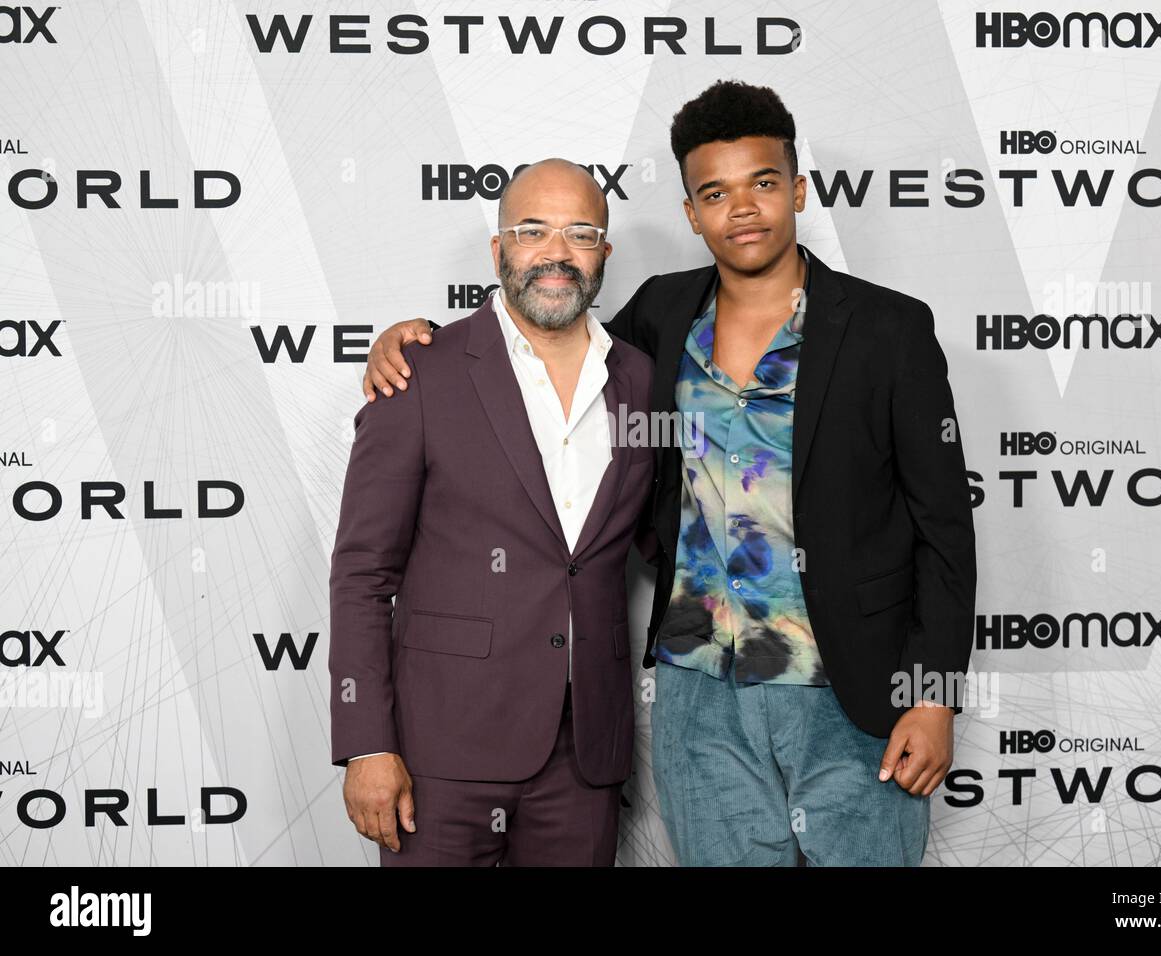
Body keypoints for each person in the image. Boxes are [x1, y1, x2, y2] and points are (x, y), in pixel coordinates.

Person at [362, 81, 977, 866]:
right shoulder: (661, 313)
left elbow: (945, 534)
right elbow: (538, 344)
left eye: (762, 184)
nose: (742, 210)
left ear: (798, 189)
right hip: (699, 695)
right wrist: (414, 339)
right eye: (715, 193)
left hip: (850, 696)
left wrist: (931, 695)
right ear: (692, 213)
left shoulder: (890, 330)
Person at [329, 158, 656, 865]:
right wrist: (365, 742)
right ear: (498, 249)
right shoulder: (421, 372)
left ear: (604, 253)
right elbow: (362, 572)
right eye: (532, 230)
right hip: (440, 752)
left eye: (581, 233)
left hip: (586, 758)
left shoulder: (639, 378)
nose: (556, 254)